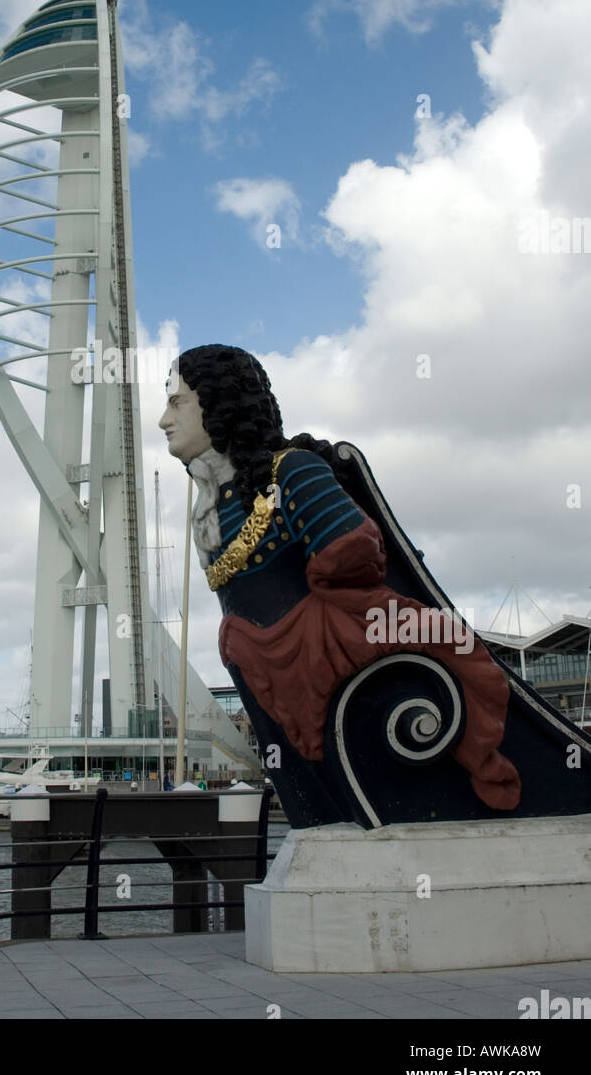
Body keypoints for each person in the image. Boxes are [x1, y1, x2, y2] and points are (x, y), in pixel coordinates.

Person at [158, 344, 544, 828]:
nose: (163, 420)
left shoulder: (292, 471)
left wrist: (328, 575)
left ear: (220, 403)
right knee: (316, 797)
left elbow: (352, 545)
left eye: (177, 403)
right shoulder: (216, 504)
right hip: (262, 664)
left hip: (324, 649)